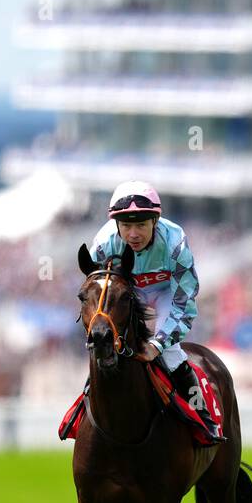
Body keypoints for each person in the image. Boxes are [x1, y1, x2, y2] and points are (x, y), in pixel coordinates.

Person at [88, 180, 222, 443]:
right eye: (126, 226)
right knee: (104, 347)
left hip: (166, 295)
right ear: (117, 226)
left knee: (170, 354)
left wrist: (157, 344)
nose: (133, 234)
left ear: (155, 223)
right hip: (126, 295)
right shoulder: (103, 247)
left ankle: (203, 416)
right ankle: (83, 414)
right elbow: (96, 298)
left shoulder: (176, 244)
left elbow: (185, 303)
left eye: (141, 225)